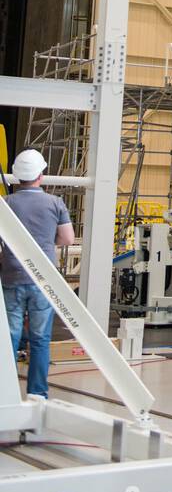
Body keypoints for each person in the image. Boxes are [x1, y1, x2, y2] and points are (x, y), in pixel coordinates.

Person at [1, 149, 75, 397]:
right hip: (44, 279)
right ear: (40, 175)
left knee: (9, 337)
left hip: (12, 276)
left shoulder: (6, 205)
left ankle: (5, 393)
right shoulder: (55, 203)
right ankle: (37, 394)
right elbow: (67, 238)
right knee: (40, 339)